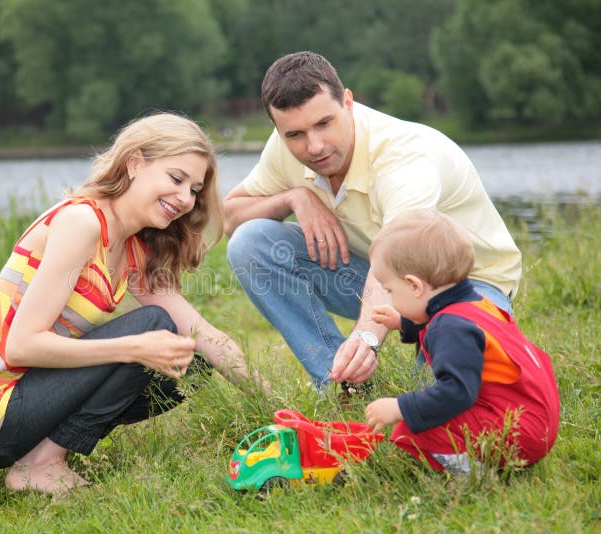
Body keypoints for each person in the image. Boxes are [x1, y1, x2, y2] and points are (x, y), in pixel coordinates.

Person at [0, 113, 256, 495]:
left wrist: (276, 406)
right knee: (153, 327)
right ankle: (40, 465)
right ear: (135, 164)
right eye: (176, 179)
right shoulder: (82, 222)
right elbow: (21, 345)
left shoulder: (134, 247)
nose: (185, 199)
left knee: (194, 361)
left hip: (33, 399)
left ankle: (42, 453)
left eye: (194, 189)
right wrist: (133, 348)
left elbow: (202, 332)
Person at [224, 51, 521, 388]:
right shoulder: (284, 147)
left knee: (435, 398)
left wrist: (366, 338)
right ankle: (340, 383)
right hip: (376, 278)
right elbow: (232, 216)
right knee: (250, 243)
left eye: (324, 124)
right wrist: (294, 197)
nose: (315, 146)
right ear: (279, 130)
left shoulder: (405, 159)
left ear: (348, 102)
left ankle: (368, 358)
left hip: (466, 287)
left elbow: (399, 256)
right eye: (295, 135)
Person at [363, 209, 559, 473]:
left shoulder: (449, 327)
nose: (389, 295)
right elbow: (446, 325)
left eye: (390, 290)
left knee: (410, 428)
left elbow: (456, 392)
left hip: (518, 433)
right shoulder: (475, 304)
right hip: (535, 418)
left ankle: (470, 473)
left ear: (414, 286)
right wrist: (403, 322)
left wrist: (400, 406)